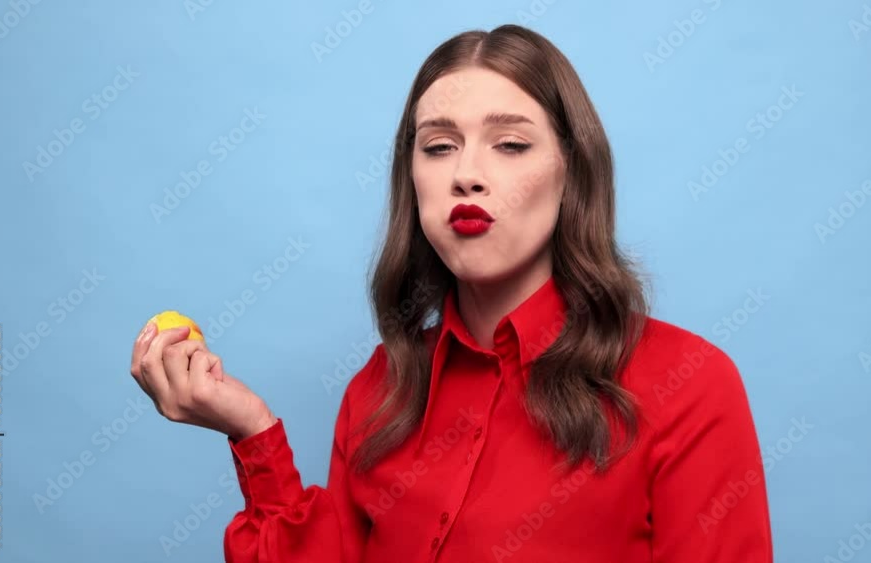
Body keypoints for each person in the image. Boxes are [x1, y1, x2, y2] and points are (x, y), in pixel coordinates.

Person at [129, 24, 773, 563]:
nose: (467, 174)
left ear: (571, 172)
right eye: (438, 147)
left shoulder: (688, 387)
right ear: (412, 179)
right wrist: (252, 431)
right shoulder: (380, 391)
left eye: (511, 144)